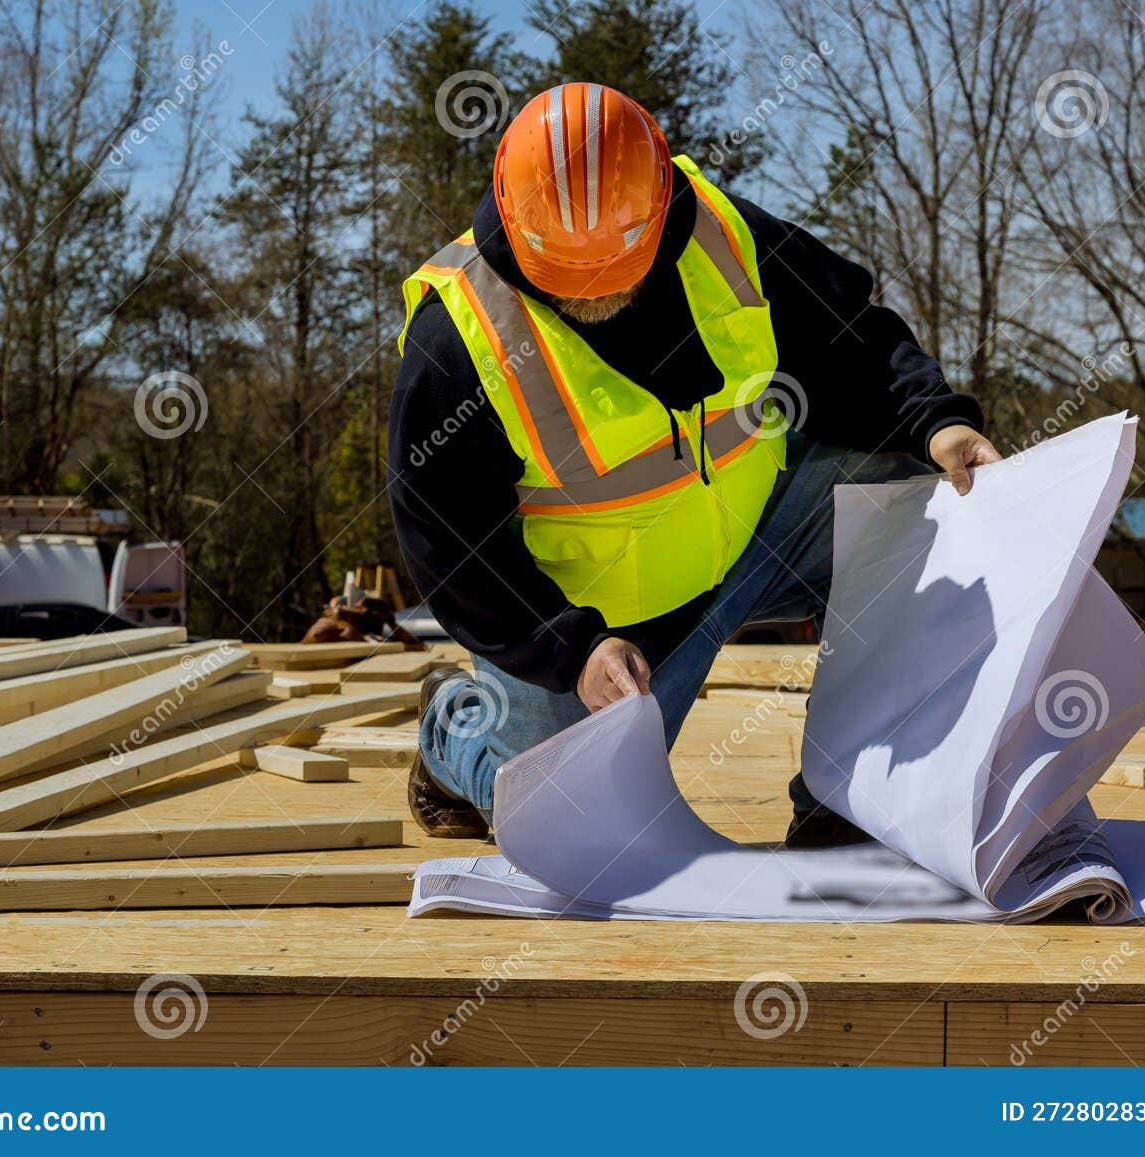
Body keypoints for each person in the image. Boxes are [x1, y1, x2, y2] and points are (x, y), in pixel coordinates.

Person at [388, 83, 1000, 847]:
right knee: (569, 832)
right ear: (516, 226)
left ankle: (845, 797)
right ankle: (457, 733)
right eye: (569, 273)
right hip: (603, 635)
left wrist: (936, 419)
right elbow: (447, 548)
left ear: (660, 214)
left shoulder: (721, 233)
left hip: (753, 539)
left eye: (615, 266)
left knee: (913, 499)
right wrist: (568, 646)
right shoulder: (461, 340)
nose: (596, 292)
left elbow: (851, 337)